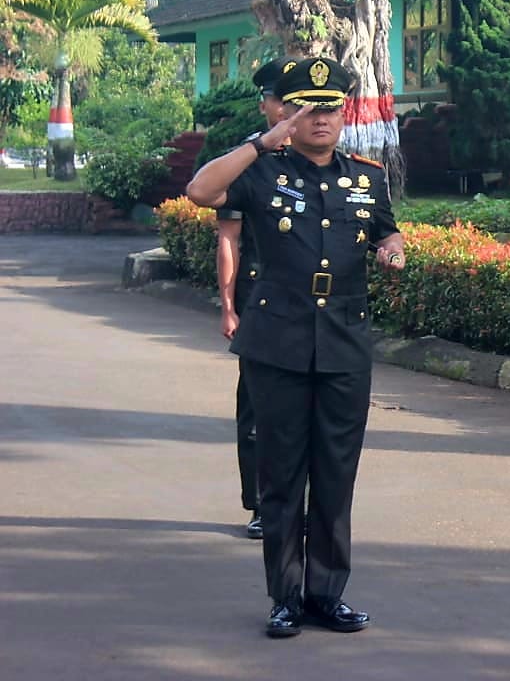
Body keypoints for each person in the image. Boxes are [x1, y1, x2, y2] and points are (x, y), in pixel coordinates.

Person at [187, 56, 406, 638]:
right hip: (277, 342)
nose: (320, 119)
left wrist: (393, 248)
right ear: (286, 111)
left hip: (344, 345)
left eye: (330, 108)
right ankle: (285, 598)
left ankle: (326, 596)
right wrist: (262, 143)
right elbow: (199, 190)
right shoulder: (262, 171)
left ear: (343, 113)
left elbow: (385, 227)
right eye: (308, 108)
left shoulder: (366, 176)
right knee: (282, 476)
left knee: (336, 477)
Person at [215, 57, 291, 540]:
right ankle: (261, 503)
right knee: (259, 408)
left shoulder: (325, 158)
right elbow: (229, 238)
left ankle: (300, 505)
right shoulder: (247, 163)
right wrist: (227, 304)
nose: (287, 110)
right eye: (278, 100)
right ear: (265, 105)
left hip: (309, 301)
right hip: (260, 299)